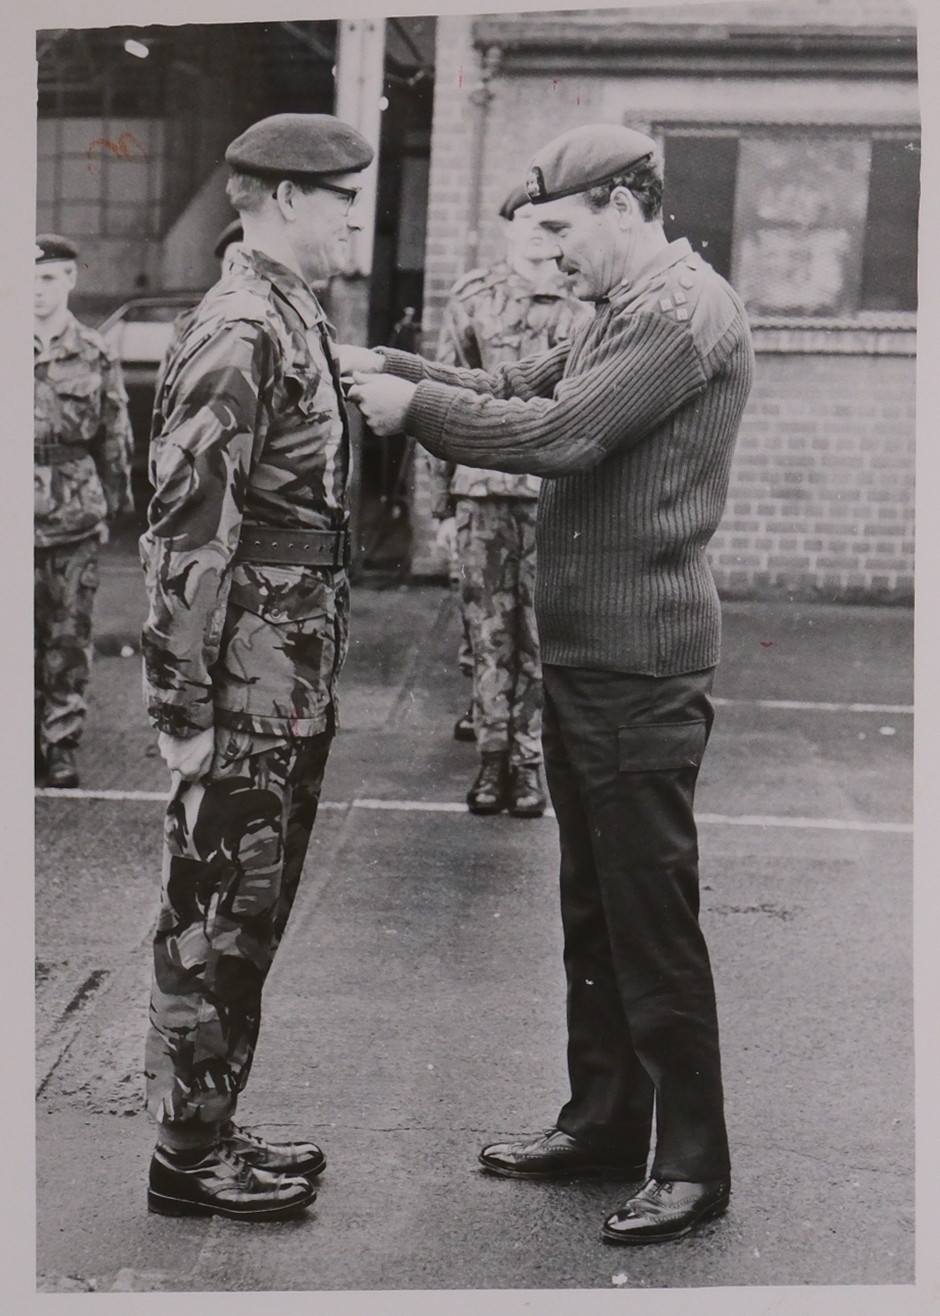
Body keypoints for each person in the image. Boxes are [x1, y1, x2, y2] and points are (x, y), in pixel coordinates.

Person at [344, 122, 754, 1245]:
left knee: (649, 914)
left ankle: (693, 1162)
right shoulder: (620, 310)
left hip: (639, 661)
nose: (556, 258)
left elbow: (563, 433)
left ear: (628, 204)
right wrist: (399, 370)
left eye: (567, 233)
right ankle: (609, 1120)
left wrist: (412, 412)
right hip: (590, 654)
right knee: (596, 908)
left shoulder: (677, 311)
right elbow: (512, 380)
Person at [139, 112, 374, 1222]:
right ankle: (187, 1153)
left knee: (251, 909)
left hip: (284, 669)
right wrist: (178, 701)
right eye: (339, 199)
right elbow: (189, 529)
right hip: (241, 680)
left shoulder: (288, 314)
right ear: (283, 197)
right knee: (214, 911)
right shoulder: (242, 324)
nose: (351, 218)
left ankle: (212, 1120)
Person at [432, 186, 589, 818]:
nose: (531, 232)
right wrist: (439, 507)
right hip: (481, 494)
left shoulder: (585, 303)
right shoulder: (470, 298)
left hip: (554, 497)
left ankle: (529, 765)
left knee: (541, 636)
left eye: (543, 222)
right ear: (504, 230)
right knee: (487, 632)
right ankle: (491, 761)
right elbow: (440, 398)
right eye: (519, 220)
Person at [34, 235, 134, 789]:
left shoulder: (95, 352)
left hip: (73, 517)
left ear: (70, 280)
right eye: (28, 279)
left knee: (68, 637)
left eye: (49, 278)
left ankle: (61, 744)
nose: (37, 291)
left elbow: (114, 437)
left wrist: (113, 507)